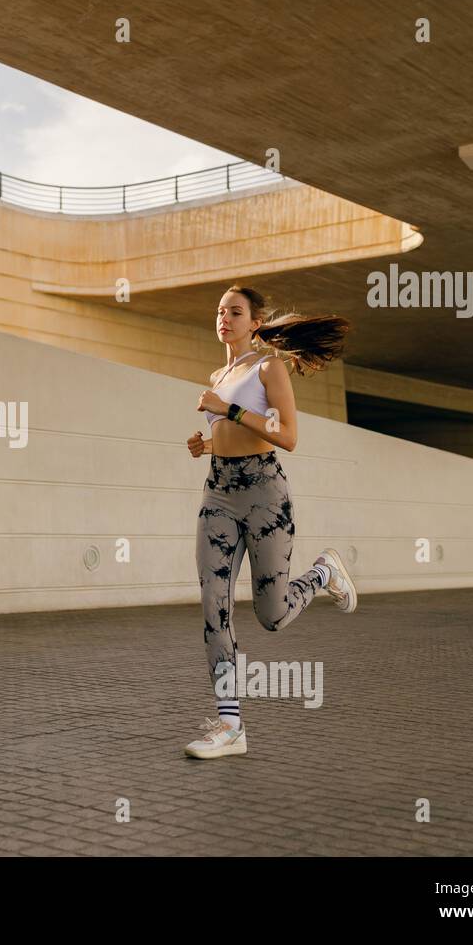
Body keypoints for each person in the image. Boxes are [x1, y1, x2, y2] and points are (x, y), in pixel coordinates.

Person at [183, 285, 356, 758]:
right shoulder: (218, 374)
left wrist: (230, 410)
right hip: (218, 492)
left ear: (255, 322)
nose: (224, 318)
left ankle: (323, 572)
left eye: (235, 311)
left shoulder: (268, 367)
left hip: (264, 494)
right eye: (220, 311)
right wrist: (208, 445)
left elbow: (288, 436)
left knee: (272, 615)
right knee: (213, 603)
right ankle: (229, 724)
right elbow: (232, 437)